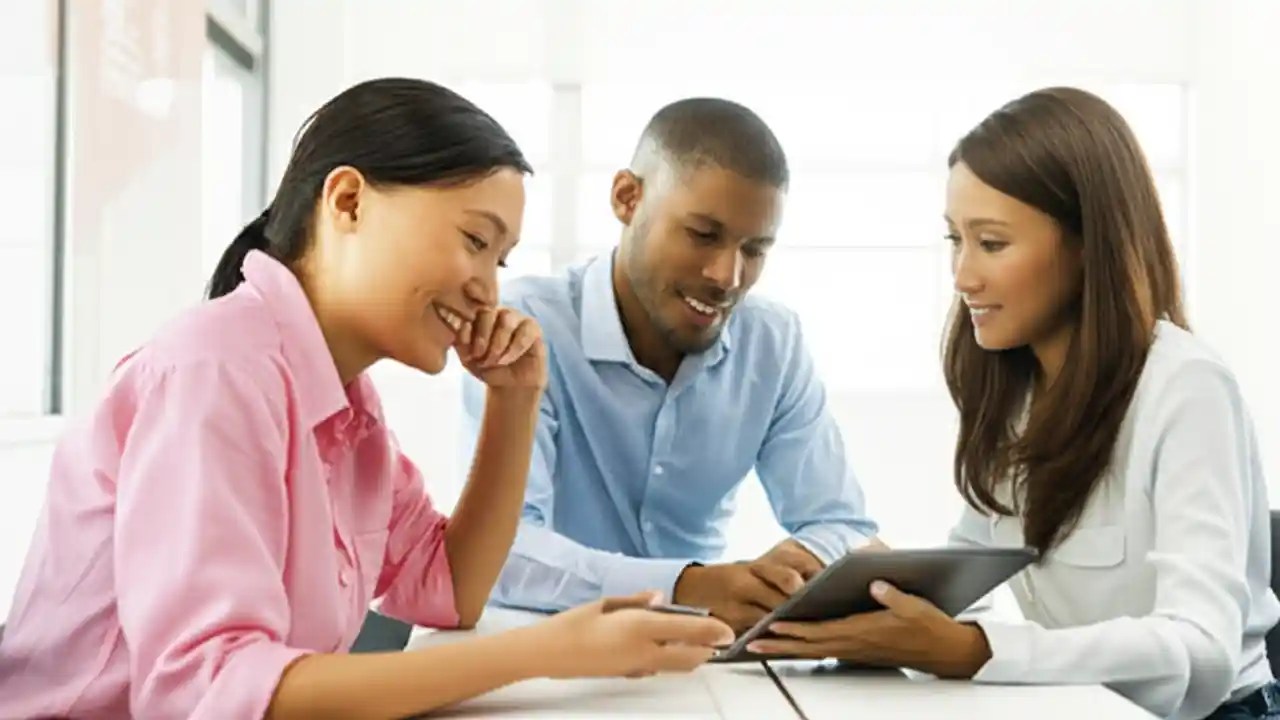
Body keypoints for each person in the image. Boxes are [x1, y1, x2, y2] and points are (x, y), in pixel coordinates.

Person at [0, 78, 732, 720]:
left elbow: (449, 589)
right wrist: (548, 650)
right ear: (348, 200)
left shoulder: (347, 408)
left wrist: (516, 399)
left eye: (500, 259)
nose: (488, 287)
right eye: (476, 240)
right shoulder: (217, 370)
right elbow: (207, 691)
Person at [742, 86, 1280, 720]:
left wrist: (975, 651)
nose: (963, 275)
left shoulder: (1185, 389)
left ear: (1087, 245)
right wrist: (851, 592)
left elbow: (1204, 651)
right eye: (955, 240)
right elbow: (970, 571)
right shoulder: (1015, 388)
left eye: (992, 243)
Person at [461, 97, 879, 633]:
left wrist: (794, 571)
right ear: (627, 198)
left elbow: (841, 522)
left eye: (755, 249)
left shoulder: (773, 343)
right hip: (544, 649)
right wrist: (686, 585)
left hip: (701, 653)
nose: (728, 276)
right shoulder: (523, 328)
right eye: (703, 235)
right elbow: (502, 552)